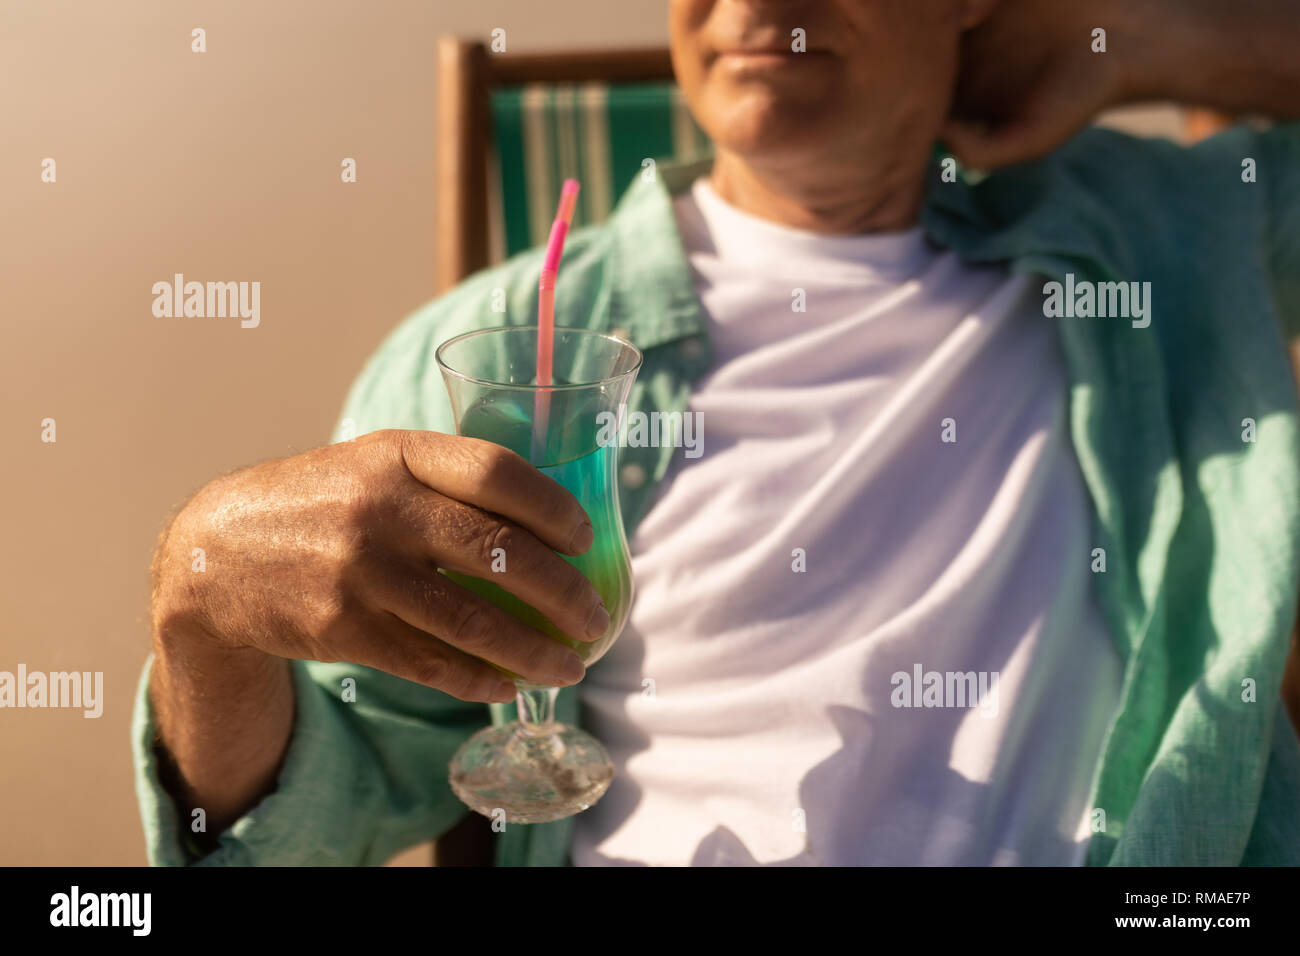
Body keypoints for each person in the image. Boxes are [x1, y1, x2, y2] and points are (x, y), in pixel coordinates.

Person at [134, 0, 1300, 866]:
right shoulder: (502, 341)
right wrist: (203, 622)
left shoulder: (1170, 239)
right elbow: (295, 830)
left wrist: (1140, 34)